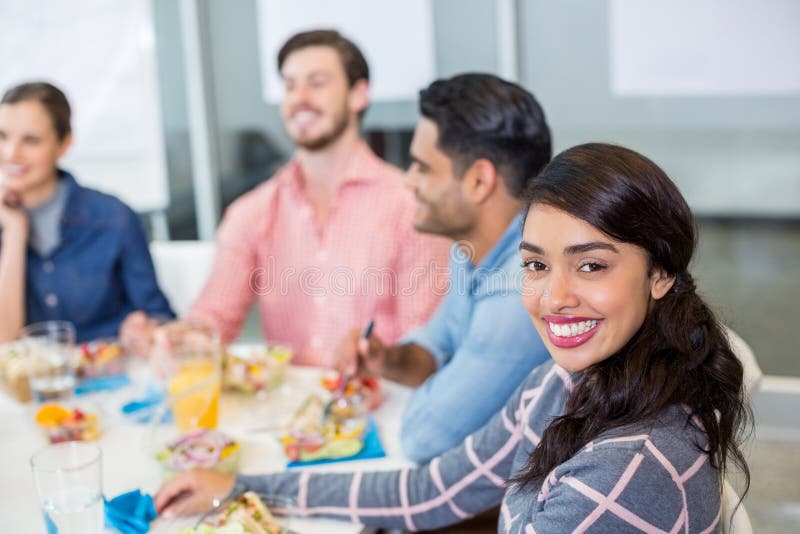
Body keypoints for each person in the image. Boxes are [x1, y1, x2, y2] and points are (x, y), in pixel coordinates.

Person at [155, 143, 751, 532]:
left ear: (661, 273)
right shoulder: (565, 382)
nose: (554, 296)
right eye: (537, 265)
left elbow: (427, 449)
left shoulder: (628, 472)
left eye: (591, 265)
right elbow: (428, 490)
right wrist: (245, 486)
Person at [122, 30, 449, 365]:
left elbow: (425, 346)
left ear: (358, 95)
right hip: (290, 411)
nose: (299, 97)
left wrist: (377, 361)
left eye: (317, 83)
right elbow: (215, 318)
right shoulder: (252, 211)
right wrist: (169, 338)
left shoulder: (411, 207)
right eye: (290, 86)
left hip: (389, 409)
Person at [334, 73, 552, 462]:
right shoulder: (473, 248)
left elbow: (424, 438)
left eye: (422, 167)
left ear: (479, 180)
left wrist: (436, 381)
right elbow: (437, 344)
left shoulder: (521, 292)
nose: (409, 181)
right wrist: (387, 360)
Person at [0, 81, 173, 343]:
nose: (11, 153)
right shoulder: (6, 223)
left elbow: (159, 317)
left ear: (64, 144)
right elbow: (4, 340)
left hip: (109, 375)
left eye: (31, 140)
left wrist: (144, 330)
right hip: (31, 381)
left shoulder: (114, 217)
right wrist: (14, 231)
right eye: (2, 136)